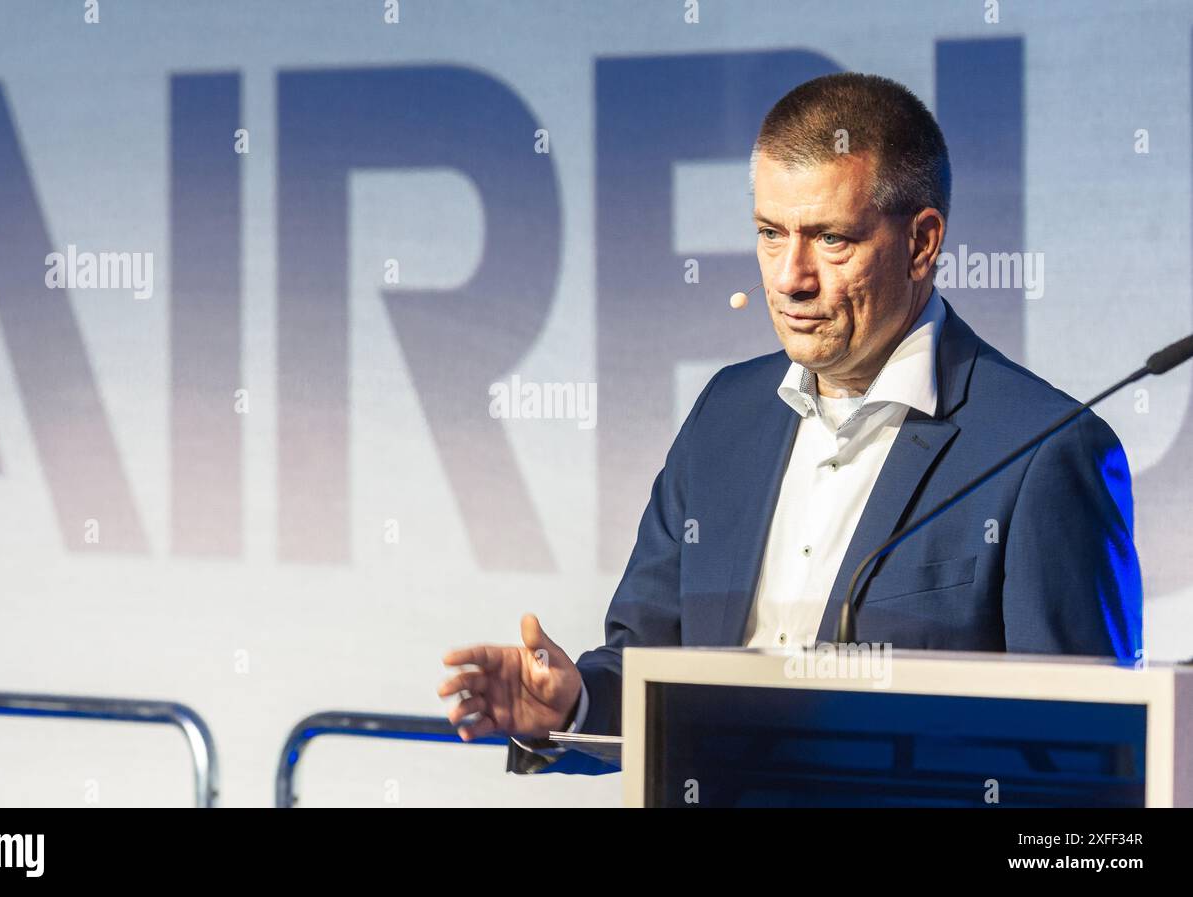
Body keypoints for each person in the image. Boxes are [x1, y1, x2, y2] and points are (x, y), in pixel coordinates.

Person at [437, 73, 1143, 771]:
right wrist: (568, 706)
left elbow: (1083, 760)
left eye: (830, 238)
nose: (789, 277)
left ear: (923, 242)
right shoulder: (726, 415)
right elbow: (646, 665)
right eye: (771, 234)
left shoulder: (1043, 452)